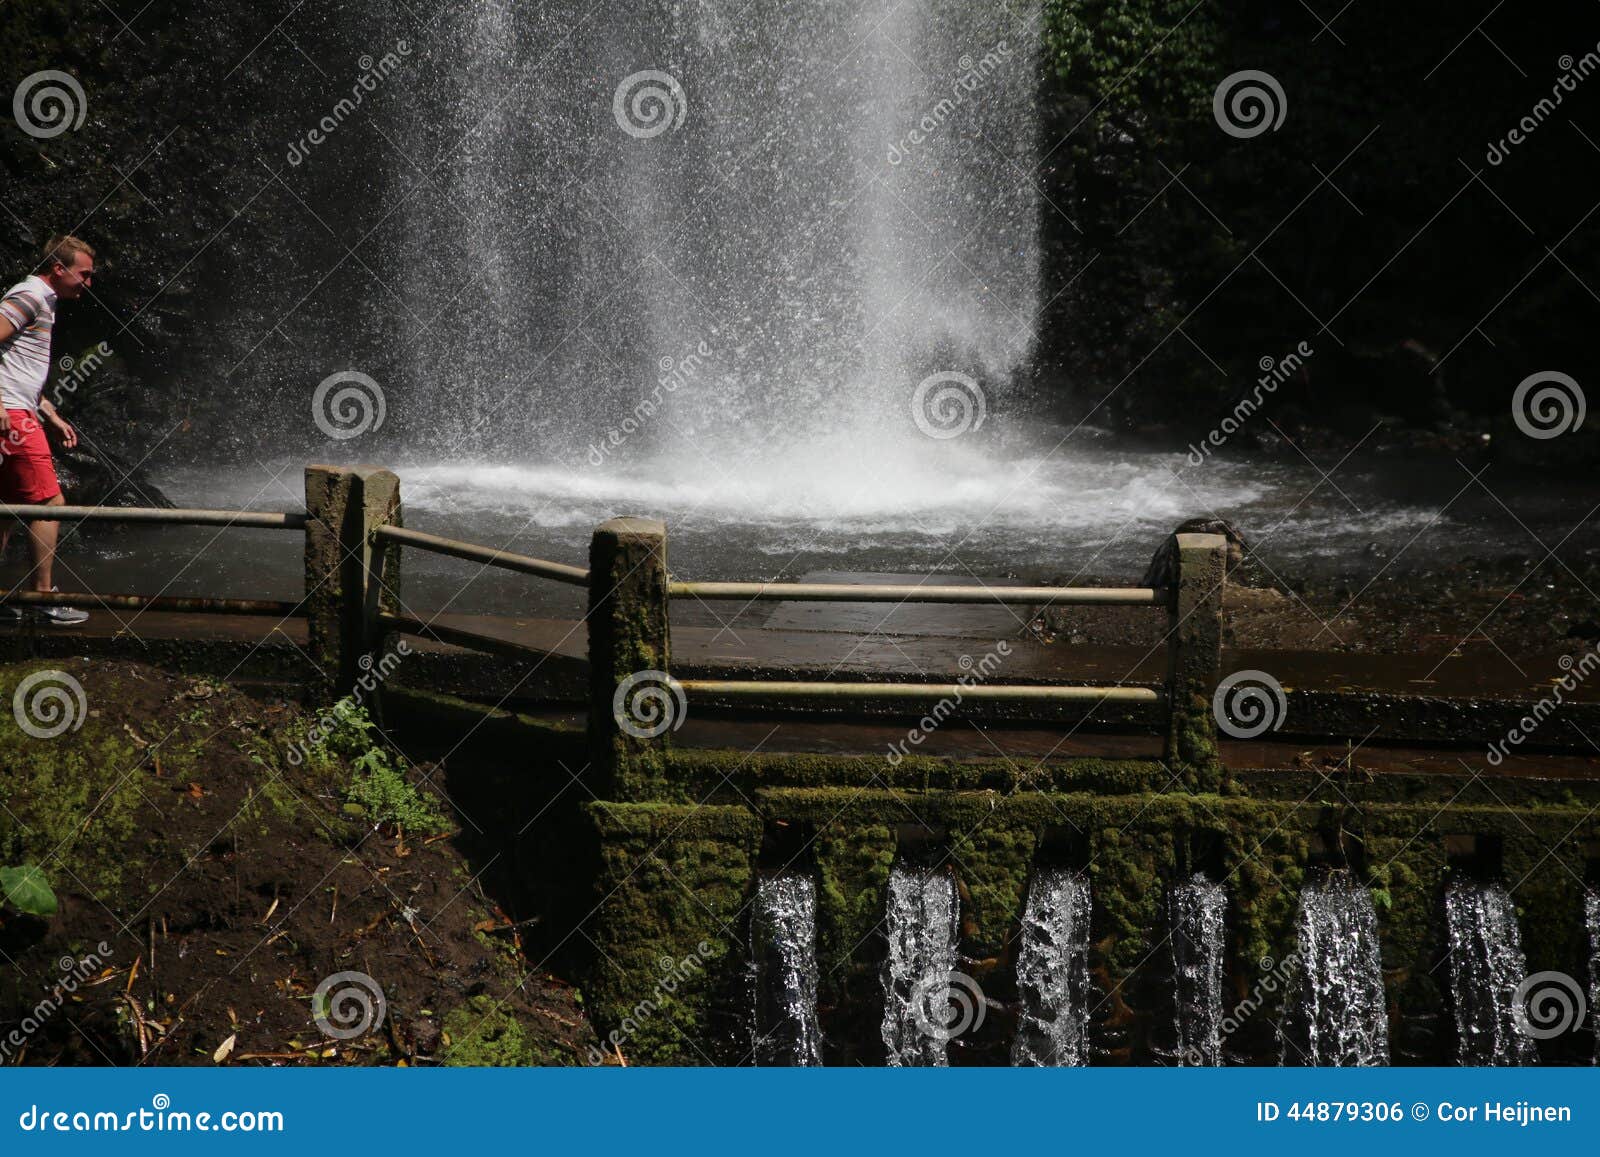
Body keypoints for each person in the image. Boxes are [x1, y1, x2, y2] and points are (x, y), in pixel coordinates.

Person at [0, 235, 96, 625]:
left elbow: (13, 365)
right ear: (59, 268)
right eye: (84, 274)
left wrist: (49, 412)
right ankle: (42, 599)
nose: (88, 284)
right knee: (49, 504)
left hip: (21, 410)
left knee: (6, 510)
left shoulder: (44, 300)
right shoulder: (31, 295)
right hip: (11, 418)